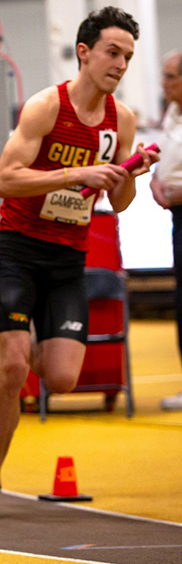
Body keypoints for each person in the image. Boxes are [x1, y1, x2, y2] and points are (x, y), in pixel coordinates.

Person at [0, 7, 159, 519]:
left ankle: (9, 377)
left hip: (67, 261)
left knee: (62, 379)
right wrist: (73, 175)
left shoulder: (123, 120)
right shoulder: (45, 107)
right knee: (12, 364)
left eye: (127, 57)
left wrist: (129, 175)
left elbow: (118, 203)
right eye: (112, 53)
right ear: (84, 52)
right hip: (18, 249)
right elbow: (6, 179)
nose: (120, 64)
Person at [149, 50, 182, 411]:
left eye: (170, 76)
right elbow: (165, 161)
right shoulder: (171, 114)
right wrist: (156, 183)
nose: (163, 83)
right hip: (178, 216)